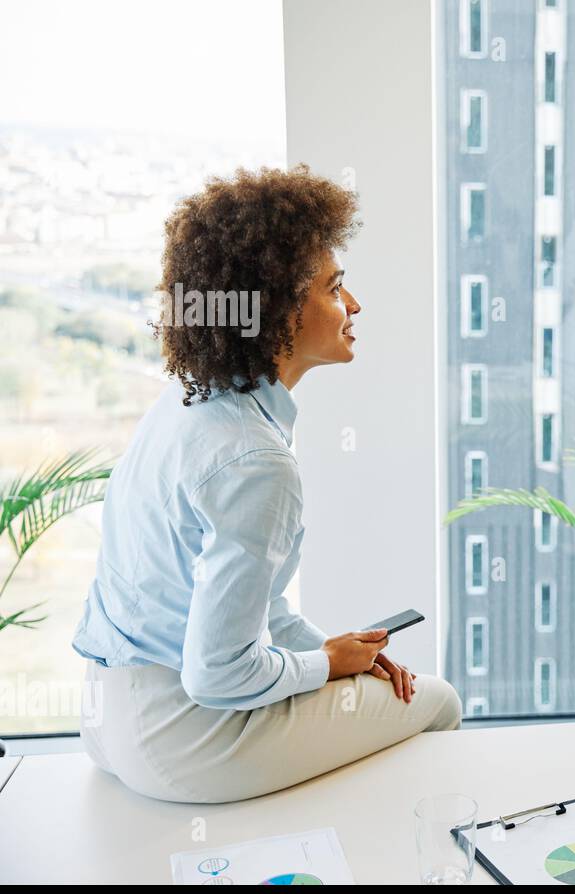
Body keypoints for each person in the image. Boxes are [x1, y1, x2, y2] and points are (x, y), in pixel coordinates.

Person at [74, 166, 461, 804]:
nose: (355, 305)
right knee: (437, 700)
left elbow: (246, 608)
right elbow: (218, 673)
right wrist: (326, 666)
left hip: (108, 713)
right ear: (278, 306)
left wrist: (334, 651)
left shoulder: (190, 405)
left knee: (370, 693)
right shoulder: (254, 459)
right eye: (336, 287)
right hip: (182, 737)